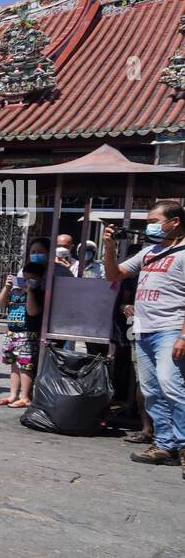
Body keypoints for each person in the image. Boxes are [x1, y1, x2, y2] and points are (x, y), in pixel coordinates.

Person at [102, 201, 185, 474]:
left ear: (173, 222)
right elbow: (113, 275)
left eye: (153, 219)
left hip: (170, 329)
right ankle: (165, 445)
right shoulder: (150, 251)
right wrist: (110, 248)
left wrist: (183, 336)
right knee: (151, 391)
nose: (149, 225)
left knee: (171, 386)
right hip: (144, 329)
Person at [0, 239, 48, 408]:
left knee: (26, 366)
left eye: (32, 279)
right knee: (14, 365)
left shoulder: (37, 293)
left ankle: (25, 396)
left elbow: (33, 311)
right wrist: (7, 287)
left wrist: (31, 291)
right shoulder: (16, 290)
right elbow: (2, 303)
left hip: (28, 333)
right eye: (25, 279)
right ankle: (13, 394)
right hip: (12, 332)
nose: (27, 282)